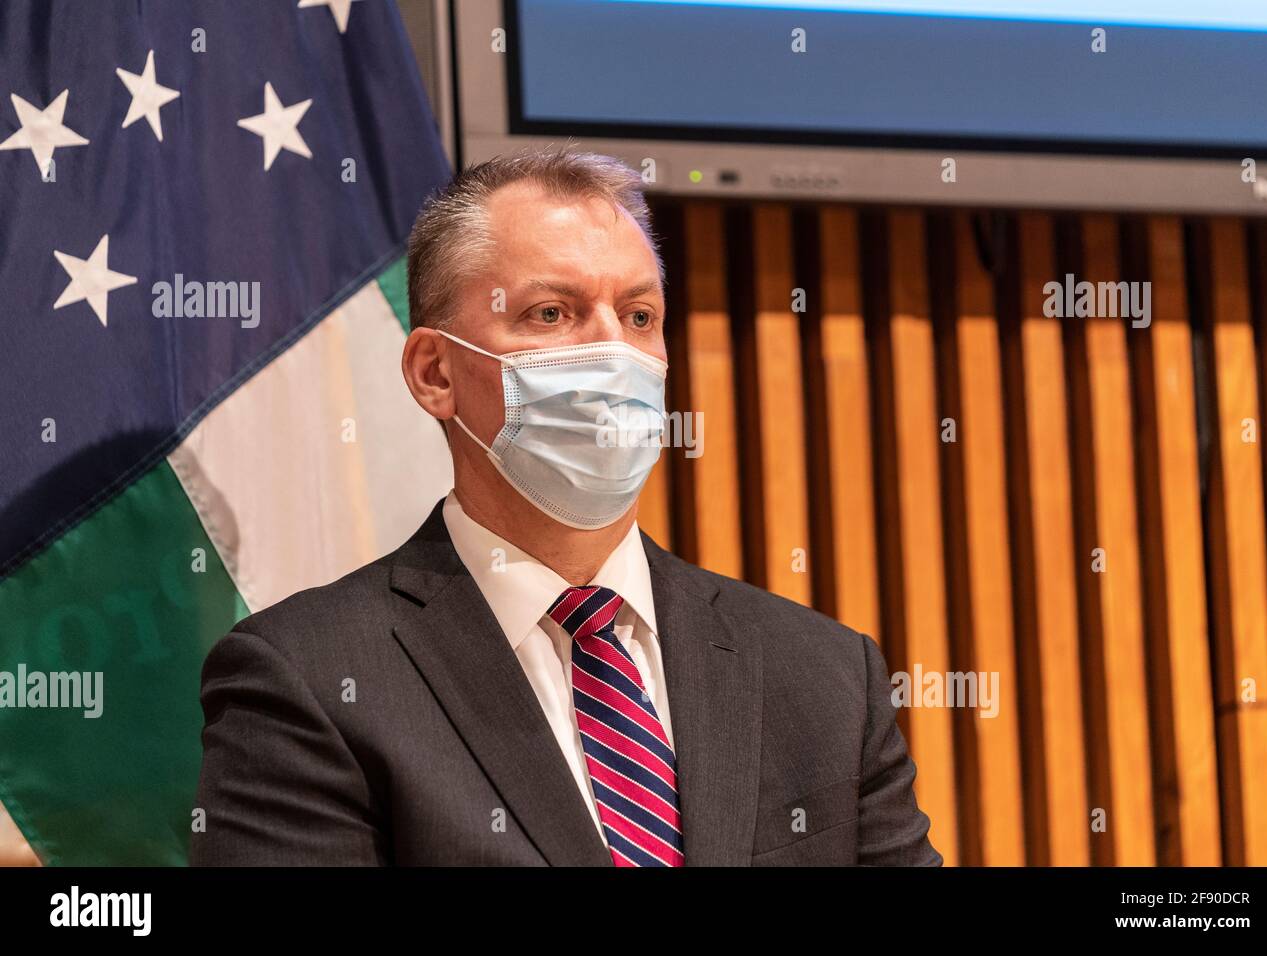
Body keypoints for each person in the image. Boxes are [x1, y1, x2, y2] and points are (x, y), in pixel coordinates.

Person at [190, 146, 941, 867]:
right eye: (552, 314)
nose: (614, 354)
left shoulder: (824, 676)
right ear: (435, 372)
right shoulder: (309, 681)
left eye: (640, 316)